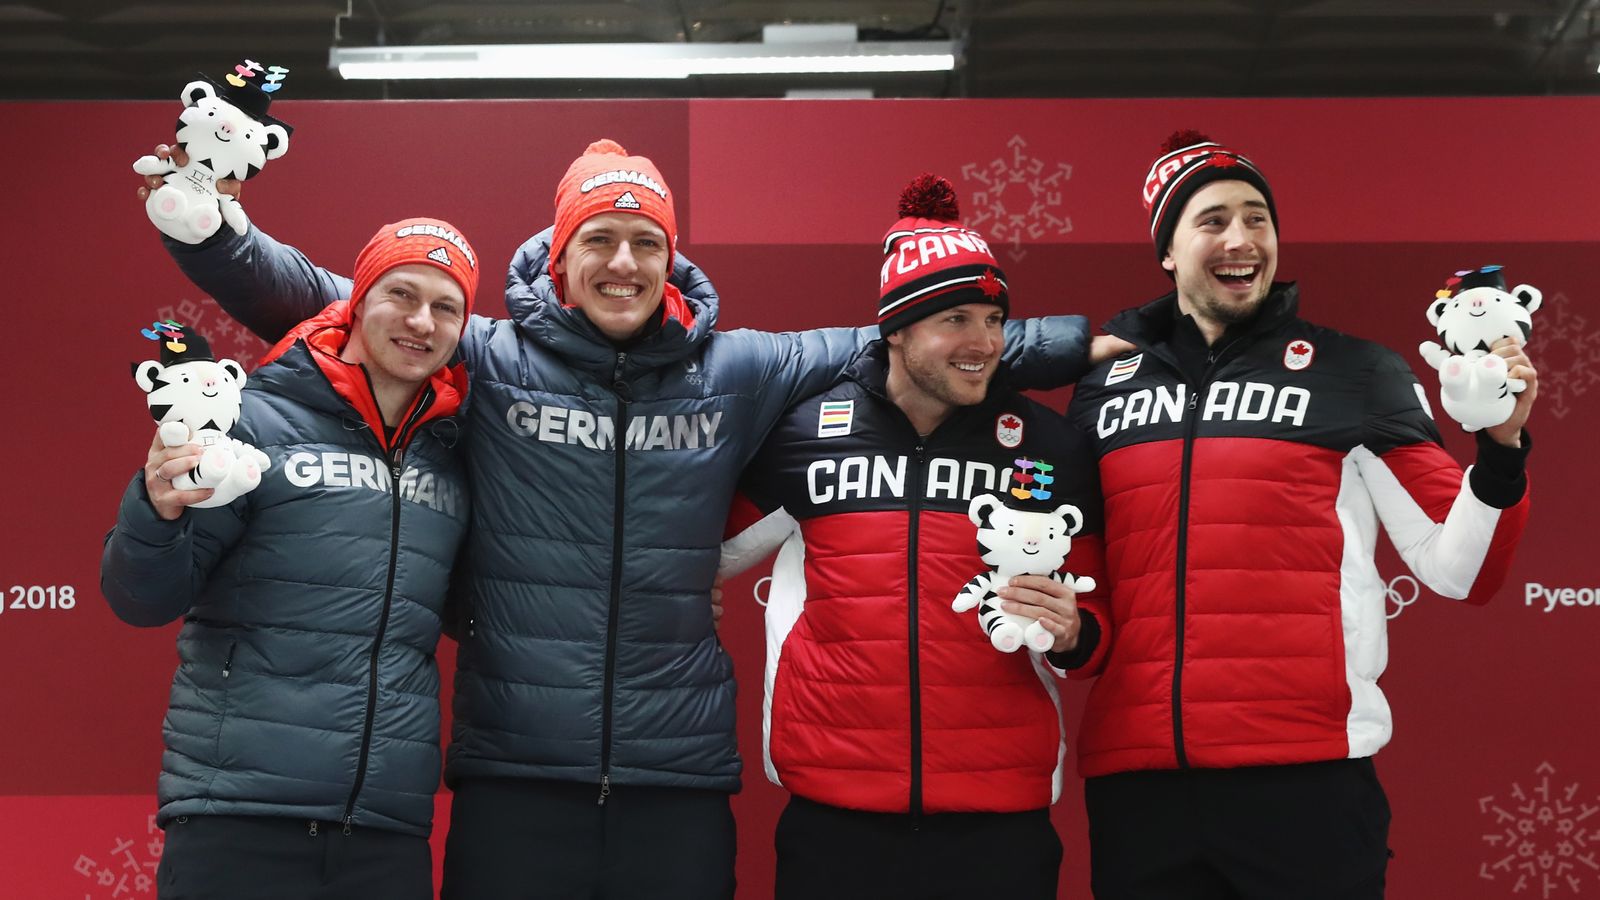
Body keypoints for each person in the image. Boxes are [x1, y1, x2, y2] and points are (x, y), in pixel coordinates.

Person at [135, 139, 1119, 899]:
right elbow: (329, 303)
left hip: (675, 784)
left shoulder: (738, 368)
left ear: (671, 258)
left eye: (646, 241)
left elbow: (911, 333)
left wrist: (1060, 345)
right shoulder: (488, 354)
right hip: (515, 774)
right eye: (598, 240)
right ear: (560, 258)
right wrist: (211, 235)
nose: (623, 260)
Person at [1062, 132, 1536, 899]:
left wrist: (1502, 447)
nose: (1242, 238)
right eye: (1212, 220)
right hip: (1140, 786)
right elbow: (1084, 573)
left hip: (1306, 783)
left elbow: (1463, 570)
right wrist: (1070, 634)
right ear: (1168, 253)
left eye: (1258, 217)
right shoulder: (1102, 387)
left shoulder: (1358, 371)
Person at [719, 175, 1105, 900]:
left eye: (994, 319)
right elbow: (699, 552)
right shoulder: (805, 434)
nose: (985, 342)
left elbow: (1096, 628)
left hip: (1001, 822)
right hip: (836, 817)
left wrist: (1075, 633)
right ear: (894, 329)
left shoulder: (1046, 444)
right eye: (957, 319)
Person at [101, 218, 480, 899]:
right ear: (358, 299)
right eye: (402, 293)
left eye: (446, 306)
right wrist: (155, 506)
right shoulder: (254, 421)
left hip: (386, 831)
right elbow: (142, 598)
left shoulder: (456, 456)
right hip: (239, 815)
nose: (421, 321)